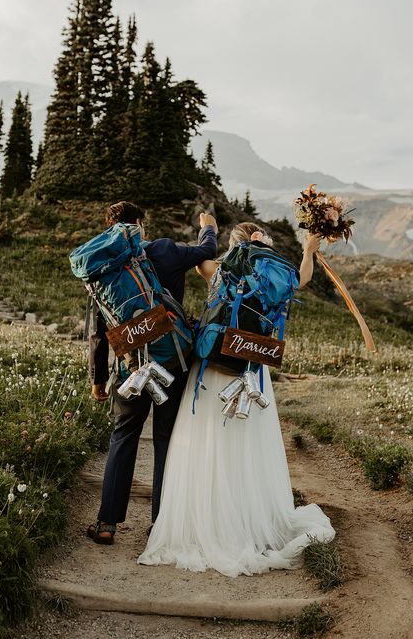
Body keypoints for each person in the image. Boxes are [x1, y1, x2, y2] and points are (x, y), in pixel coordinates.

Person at [138, 222, 335, 577]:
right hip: (247, 370)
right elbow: (300, 281)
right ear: (259, 243)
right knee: (245, 444)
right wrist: (309, 251)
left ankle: (202, 521)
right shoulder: (270, 273)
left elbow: (201, 262)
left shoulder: (217, 269)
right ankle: (245, 522)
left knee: (206, 439)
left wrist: (209, 236)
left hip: (210, 365)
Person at [87, 201, 218, 545]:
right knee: (165, 440)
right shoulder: (165, 250)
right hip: (172, 360)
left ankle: (106, 523)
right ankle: (160, 525)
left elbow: (99, 331)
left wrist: (98, 378)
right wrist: (208, 225)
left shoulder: (106, 267)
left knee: (123, 436)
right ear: (140, 225)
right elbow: (208, 249)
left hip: (130, 365)